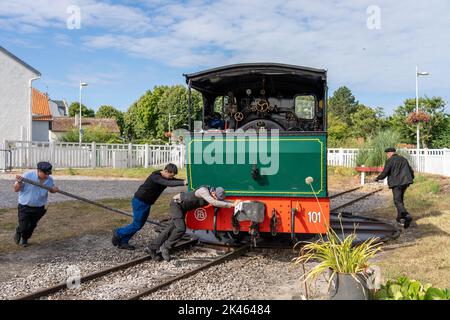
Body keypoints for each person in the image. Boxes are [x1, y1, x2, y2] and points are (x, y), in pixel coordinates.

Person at [145, 186, 240, 261]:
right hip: (177, 204)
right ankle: (165, 247)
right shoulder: (203, 191)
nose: (217, 198)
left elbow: (218, 201)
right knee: (181, 228)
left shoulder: (212, 193)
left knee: (170, 229)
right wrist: (231, 205)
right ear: (213, 192)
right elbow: (214, 202)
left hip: (183, 208)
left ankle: (151, 248)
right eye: (217, 197)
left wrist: (234, 202)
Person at [112, 163, 187, 250]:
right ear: (165, 171)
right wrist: (183, 183)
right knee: (137, 225)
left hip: (146, 203)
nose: (171, 178)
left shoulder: (165, 176)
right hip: (140, 202)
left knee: (139, 225)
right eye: (170, 176)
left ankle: (123, 242)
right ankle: (118, 232)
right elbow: (168, 183)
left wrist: (186, 181)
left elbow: (173, 180)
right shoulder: (155, 176)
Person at [13, 161, 59, 247]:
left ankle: (25, 239)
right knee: (24, 225)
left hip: (39, 207)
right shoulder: (27, 176)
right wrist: (19, 183)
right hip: (25, 206)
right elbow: (16, 189)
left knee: (32, 226)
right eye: (45, 173)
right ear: (38, 170)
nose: (47, 176)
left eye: (48, 173)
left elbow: (51, 190)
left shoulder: (49, 180)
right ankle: (19, 231)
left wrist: (54, 190)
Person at [375, 147, 415, 229]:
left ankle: (406, 215)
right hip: (405, 182)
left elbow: (385, 172)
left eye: (387, 154)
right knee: (400, 200)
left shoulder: (390, 160)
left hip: (397, 183)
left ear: (389, 153)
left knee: (397, 201)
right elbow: (411, 171)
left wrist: (378, 178)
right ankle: (400, 218)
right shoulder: (403, 159)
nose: (387, 156)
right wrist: (410, 178)